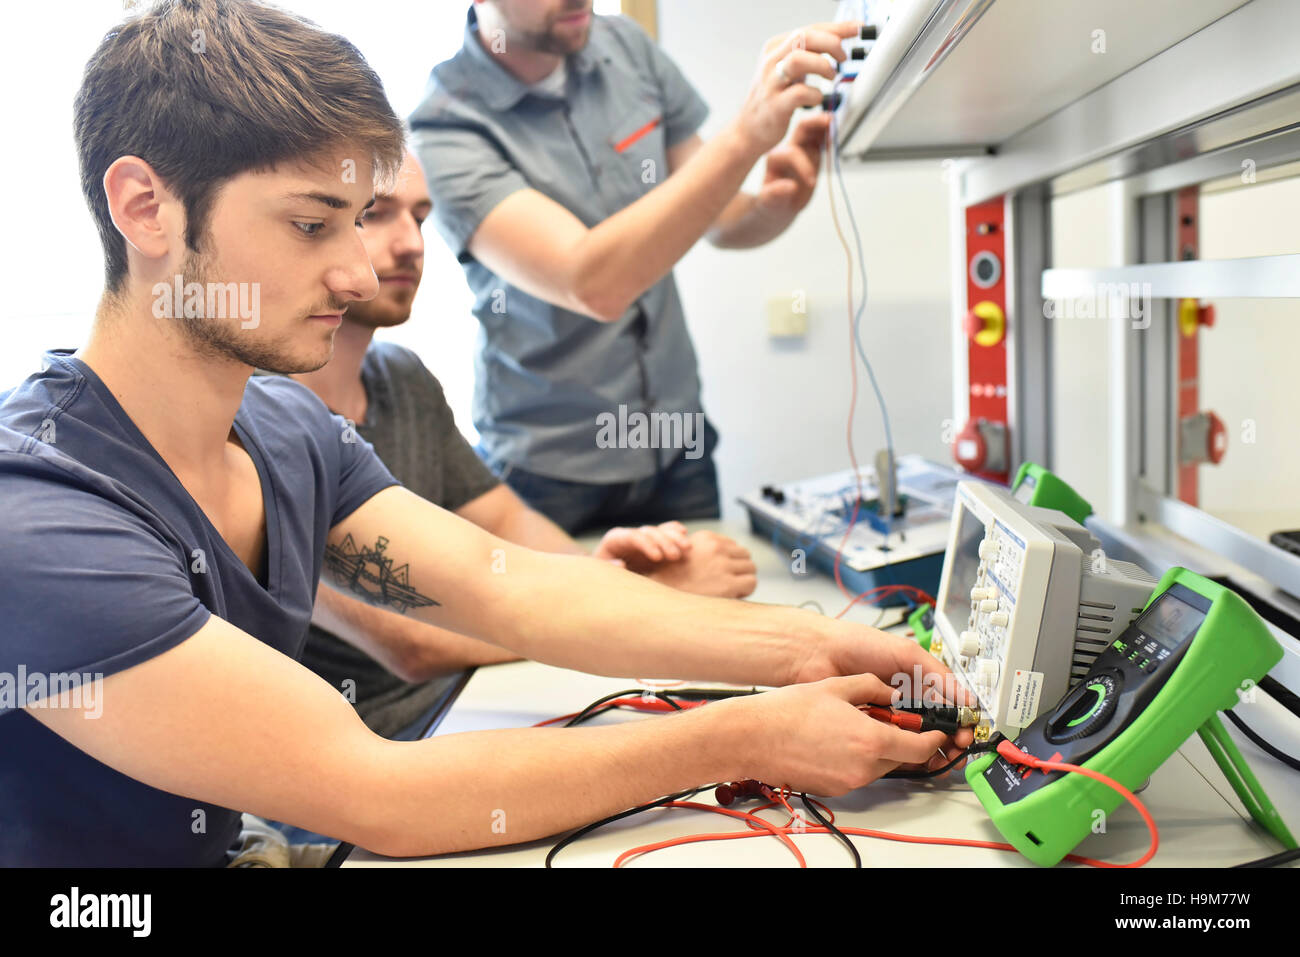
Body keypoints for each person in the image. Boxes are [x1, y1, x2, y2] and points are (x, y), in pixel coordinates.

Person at [0, 0, 967, 867]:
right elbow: (379, 793)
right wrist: (747, 735)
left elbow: (520, 594)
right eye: (310, 226)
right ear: (144, 207)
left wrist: (808, 649)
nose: (354, 273)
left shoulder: (286, 427)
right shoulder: (38, 518)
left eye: (359, 223)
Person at [287, 149, 759, 742]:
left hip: (478, 700)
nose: (412, 243)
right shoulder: (263, 423)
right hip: (381, 746)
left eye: (422, 217)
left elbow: (505, 519)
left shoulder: (402, 378)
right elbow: (407, 641)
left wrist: (605, 575)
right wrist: (639, 602)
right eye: (377, 215)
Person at [411, 1, 856, 533]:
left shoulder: (627, 49)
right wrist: (747, 134)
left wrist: (772, 207)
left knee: (707, 610)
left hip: (675, 448)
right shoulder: (446, 127)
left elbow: (721, 220)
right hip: (547, 471)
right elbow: (591, 284)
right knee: (572, 617)